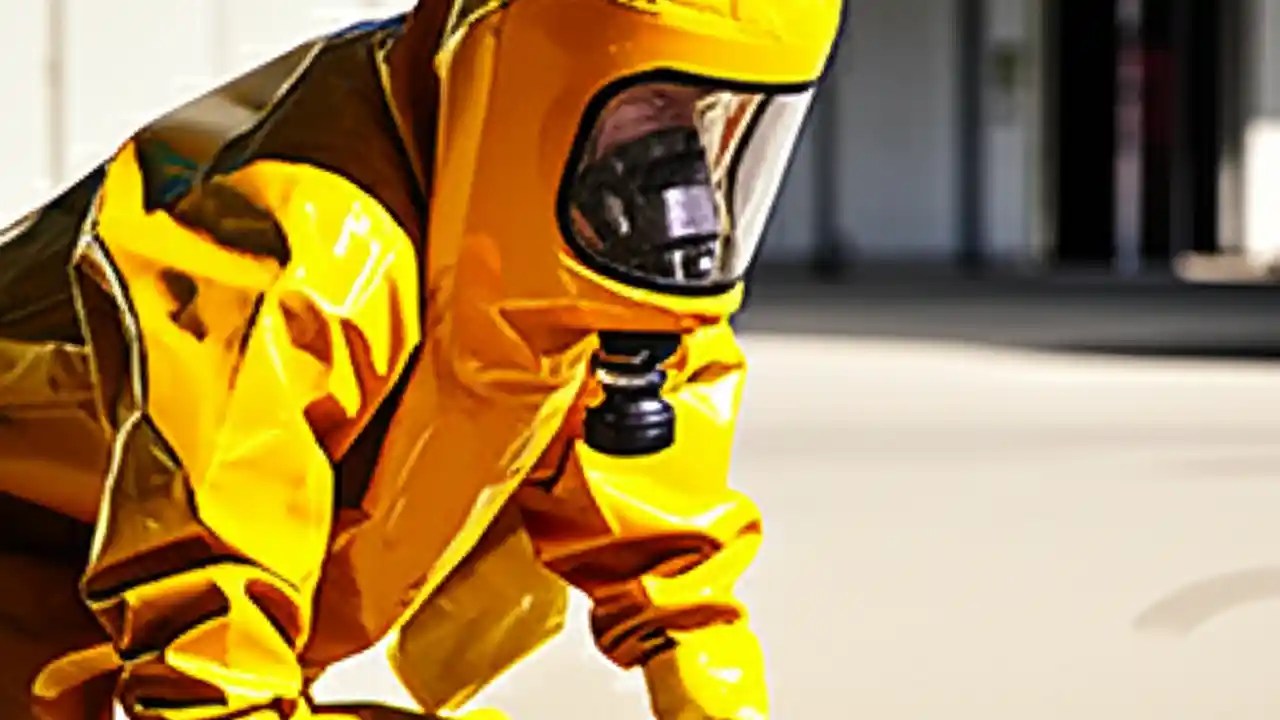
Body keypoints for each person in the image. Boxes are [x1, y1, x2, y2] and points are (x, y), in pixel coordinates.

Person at [0, 0, 842, 718]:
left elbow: (671, 562)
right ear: (539, 70)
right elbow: (212, 677)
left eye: (717, 111)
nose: (685, 175)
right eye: (659, 99)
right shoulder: (298, 260)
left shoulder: (560, 235)